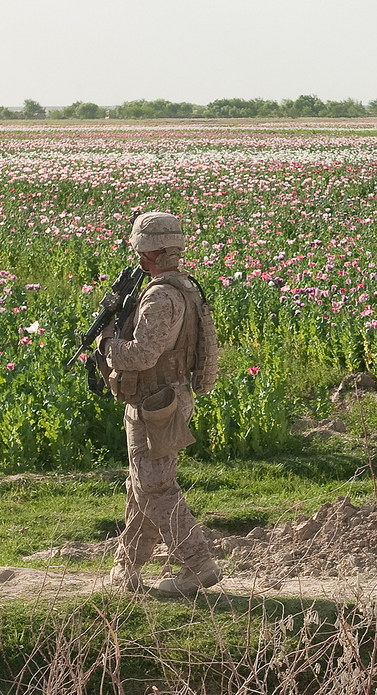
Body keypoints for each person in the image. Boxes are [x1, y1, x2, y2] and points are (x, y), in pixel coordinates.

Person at [98, 211, 222, 596]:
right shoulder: (185, 287)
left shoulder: (159, 296)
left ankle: (197, 564)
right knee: (143, 482)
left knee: (155, 486)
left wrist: (107, 345)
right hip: (171, 396)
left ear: (149, 252)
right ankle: (128, 566)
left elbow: (142, 355)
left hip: (154, 402)